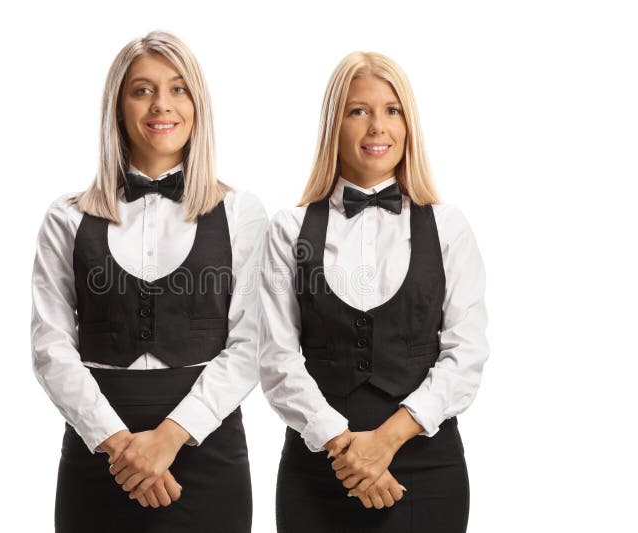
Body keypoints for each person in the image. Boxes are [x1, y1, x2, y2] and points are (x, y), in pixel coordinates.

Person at [30, 30, 267, 533]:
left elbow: (252, 342)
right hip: (100, 451)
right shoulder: (65, 218)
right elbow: (50, 346)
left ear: (197, 104)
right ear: (118, 106)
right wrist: (118, 443)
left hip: (206, 448)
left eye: (179, 89)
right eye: (142, 90)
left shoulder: (241, 213)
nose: (162, 104)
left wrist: (170, 437)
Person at [258, 51, 489, 532]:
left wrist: (385, 441)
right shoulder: (288, 228)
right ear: (333, 125)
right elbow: (277, 360)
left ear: (409, 124)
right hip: (319, 468)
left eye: (392, 110)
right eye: (358, 110)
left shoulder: (448, 228)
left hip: (427, 467)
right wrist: (343, 446)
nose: (377, 126)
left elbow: (465, 356)